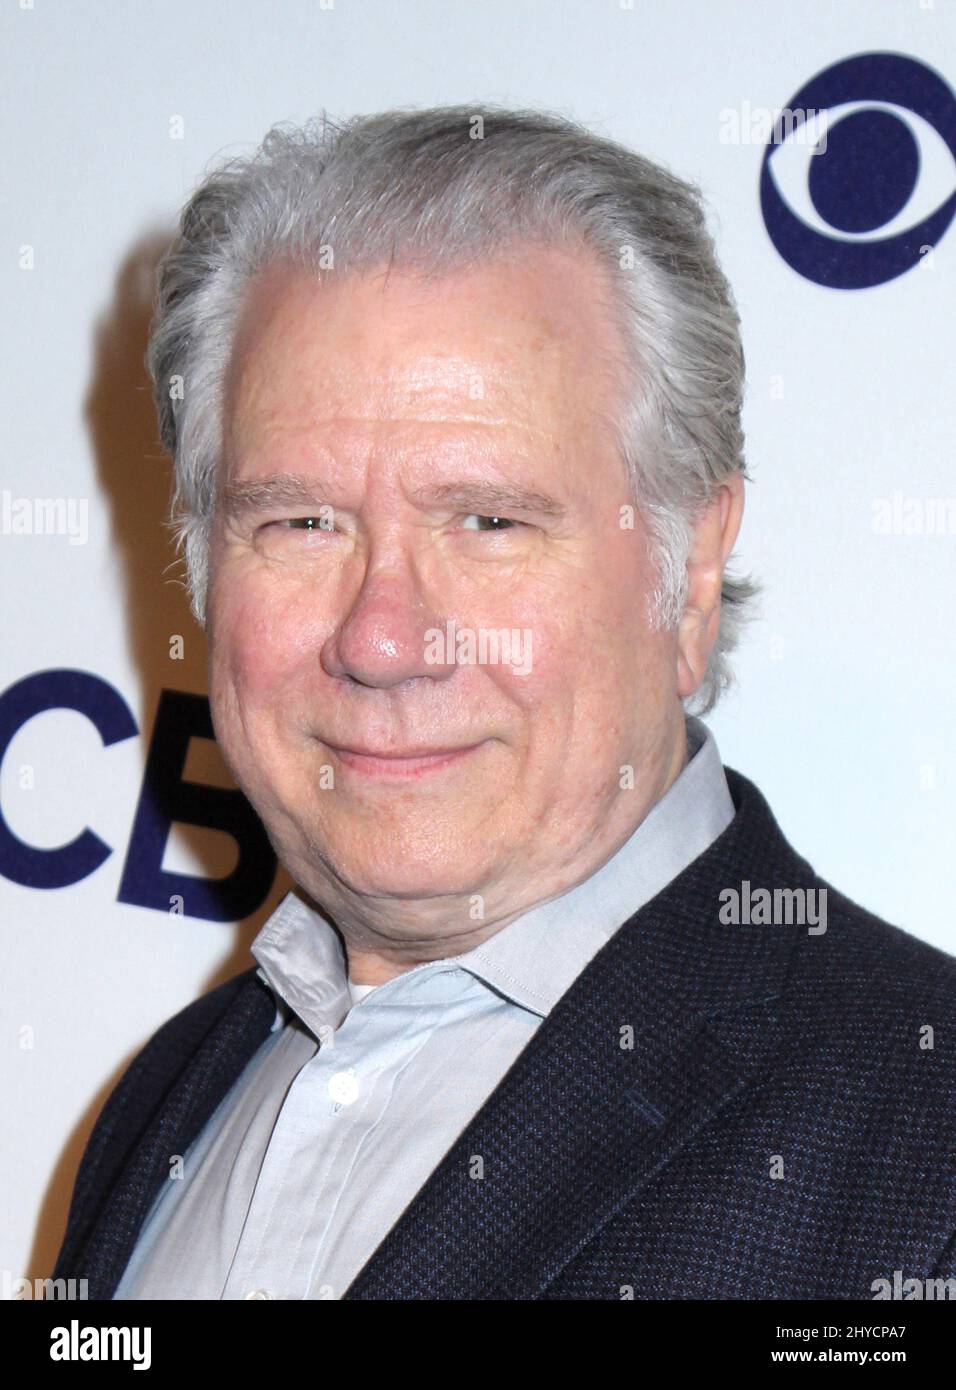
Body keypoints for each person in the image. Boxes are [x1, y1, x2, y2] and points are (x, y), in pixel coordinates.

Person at [53, 105, 956, 1301]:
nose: (382, 640)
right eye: (301, 521)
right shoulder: (166, 1100)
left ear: (687, 572)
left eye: (488, 521)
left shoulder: (922, 1141)